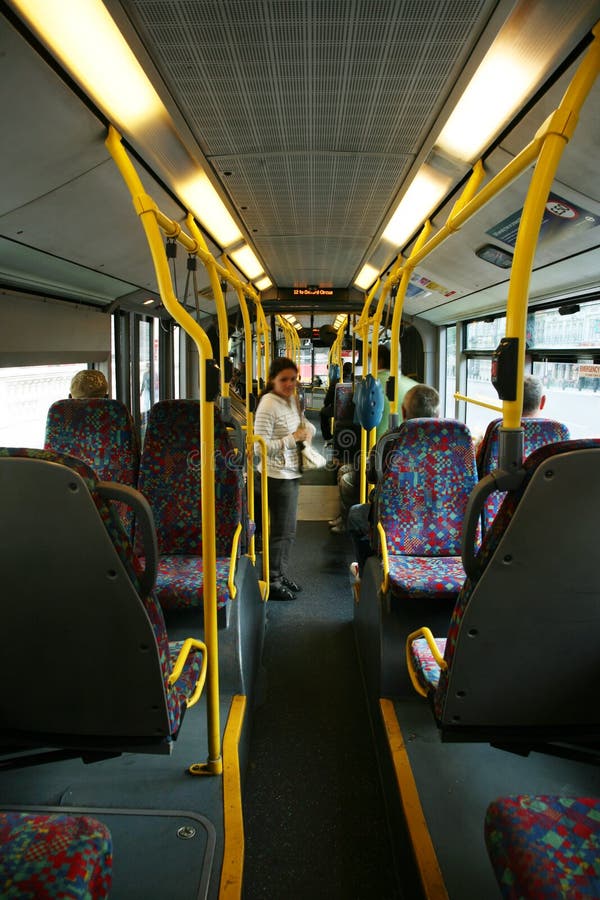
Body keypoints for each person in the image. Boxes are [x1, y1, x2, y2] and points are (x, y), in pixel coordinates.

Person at [347, 383, 440, 577]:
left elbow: (372, 477)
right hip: (442, 518)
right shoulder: (452, 440)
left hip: (398, 520)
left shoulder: (389, 440)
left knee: (356, 515)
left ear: (404, 412)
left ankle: (366, 572)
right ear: (437, 414)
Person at [330, 348, 417, 533]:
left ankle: (349, 520)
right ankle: (345, 516)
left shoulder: (368, 387)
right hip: (412, 460)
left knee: (346, 478)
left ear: (379, 361)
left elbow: (358, 424)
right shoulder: (415, 387)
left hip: (378, 456)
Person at [254, 357, 315, 601]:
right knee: (283, 532)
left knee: (286, 531)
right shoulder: (268, 404)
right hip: (277, 476)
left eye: (293, 379)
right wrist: (292, 439)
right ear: (272, 380)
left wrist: (308, 431)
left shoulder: (290, 399)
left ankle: (278, 572)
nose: (290, 384)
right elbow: (259, 447)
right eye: (284, 380)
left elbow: (301, 425)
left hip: (291, 471)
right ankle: (273, 579)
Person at [320, 361, 352, 441]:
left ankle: (327, 437)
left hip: (337, 410)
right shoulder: (356, 382)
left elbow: (327, 400)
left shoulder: (336, 382)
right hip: (352, 411)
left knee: (322, 413)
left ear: (342, 370)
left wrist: (326, 404)